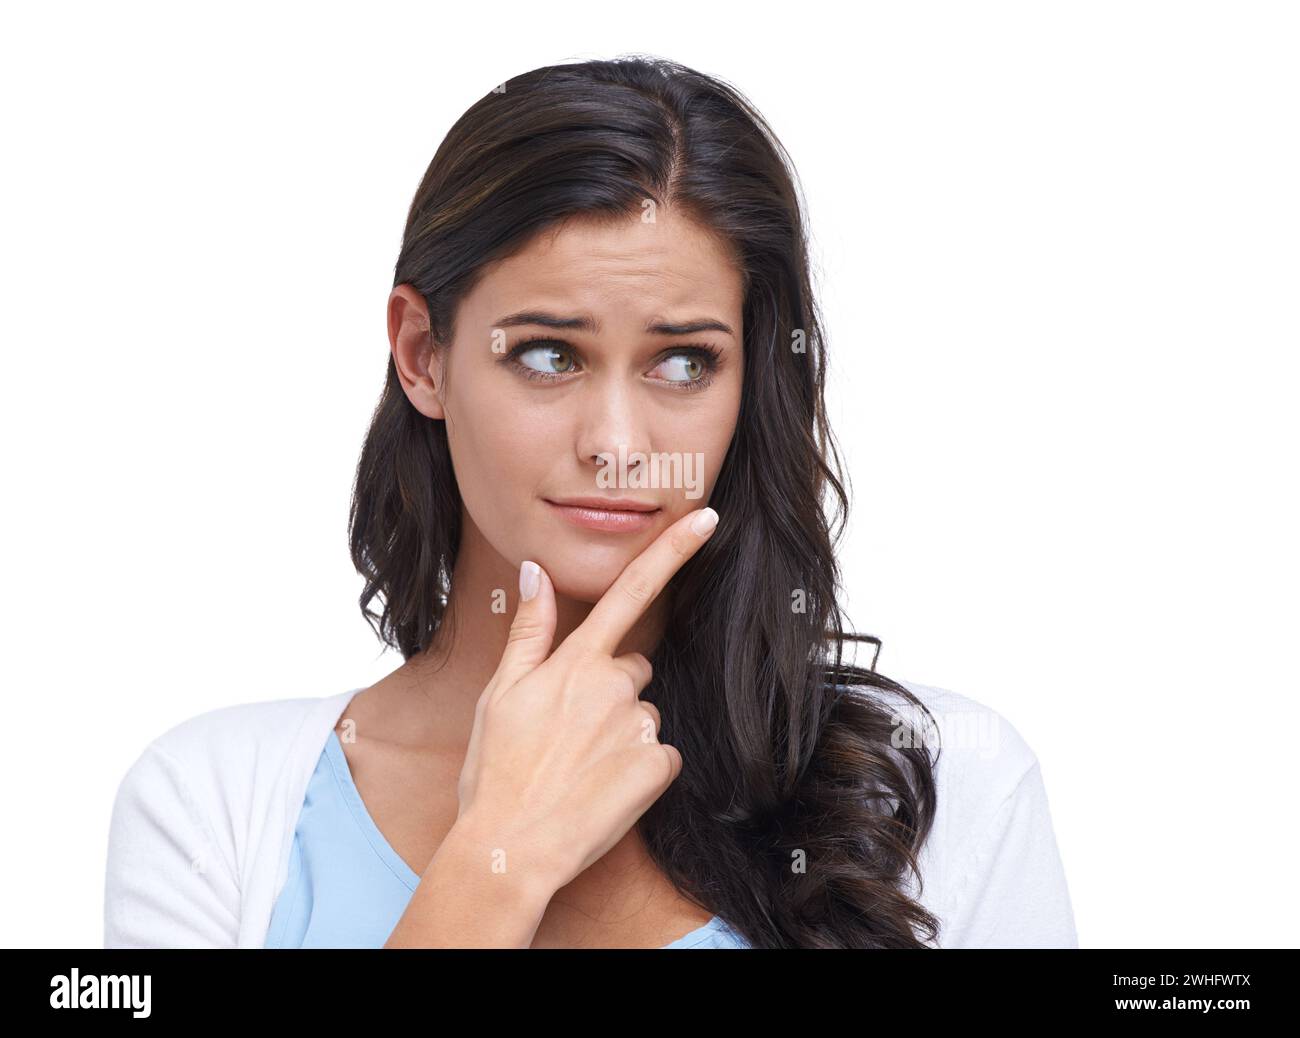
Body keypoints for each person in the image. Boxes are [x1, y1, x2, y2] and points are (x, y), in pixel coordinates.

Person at [104, 55, 1077, 949]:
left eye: (684, 362)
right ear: (421, 355)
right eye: (547, 354)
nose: (616, 446)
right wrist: (500, 856)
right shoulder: (212, 805)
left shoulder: (940, 788)